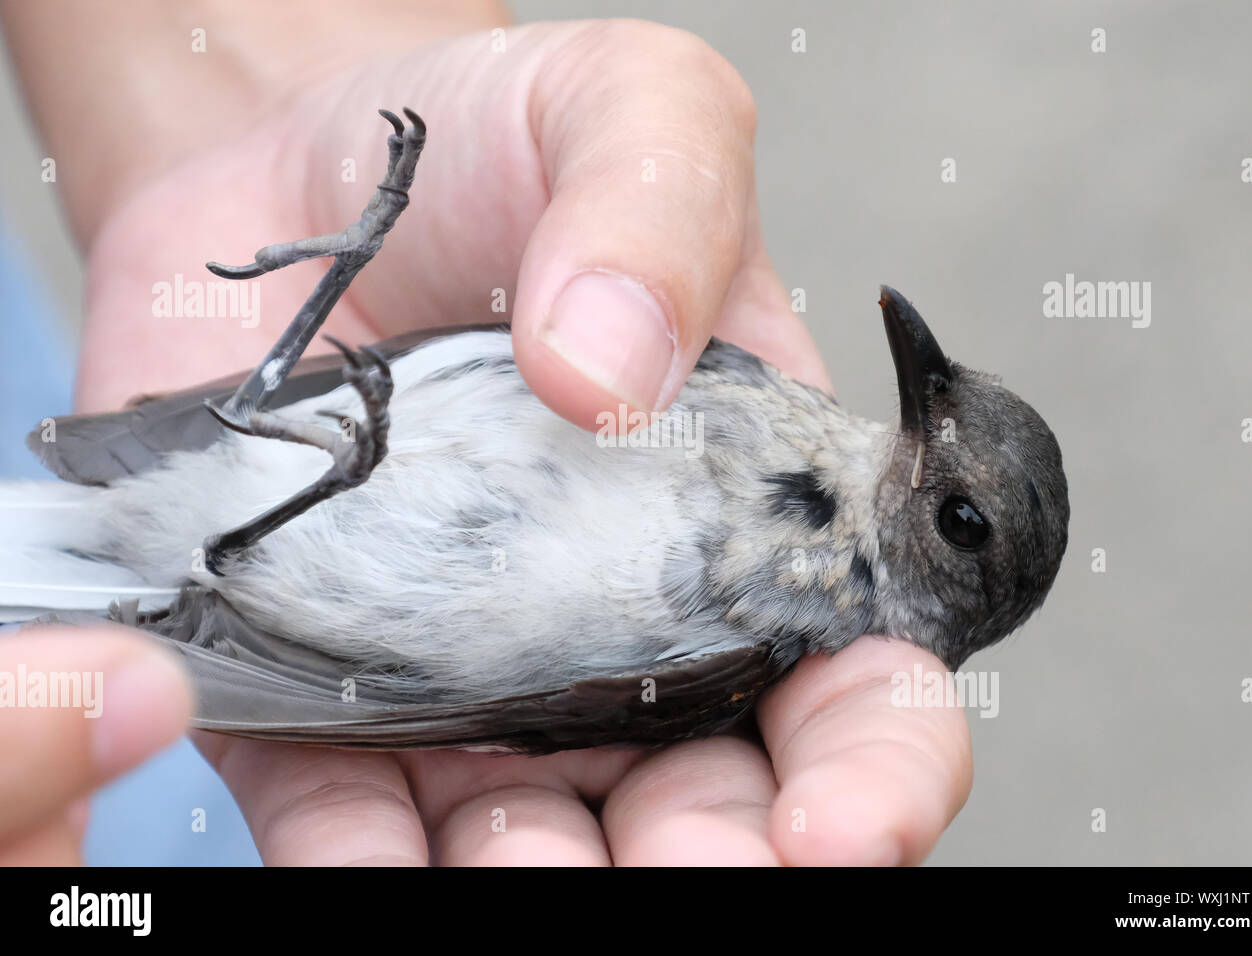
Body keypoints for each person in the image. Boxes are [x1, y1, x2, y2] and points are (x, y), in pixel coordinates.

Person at [0, 2, 971, 865]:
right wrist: (357, 228)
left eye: (960, 516)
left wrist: (276, 113)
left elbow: (438, 703)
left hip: (199, 635)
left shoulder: (757, 648)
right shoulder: (755, 388)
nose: (929, 424)